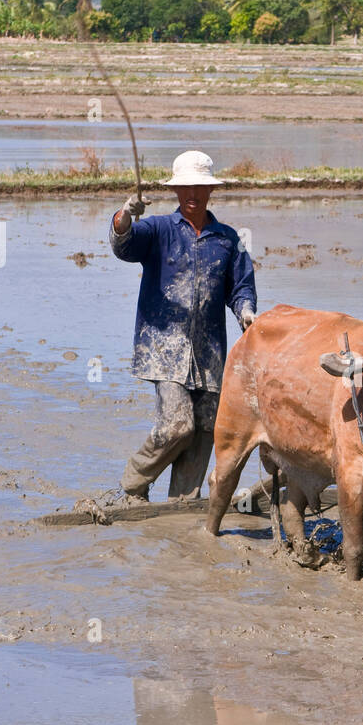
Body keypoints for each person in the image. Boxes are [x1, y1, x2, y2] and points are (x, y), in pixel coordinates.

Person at [108, 150, 256, 503]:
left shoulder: (227, 240)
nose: (193, 195)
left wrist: (246, 312)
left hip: (210, 357)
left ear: (210, 191)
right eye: (186, 188)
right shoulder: (158, 230)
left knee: (205, 430)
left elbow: (241, 287)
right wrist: (125, 215)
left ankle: (181, 506)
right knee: (178, 426)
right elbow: (123, 244)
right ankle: (134, 482)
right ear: (176, 191)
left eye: (199, 188)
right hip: (164, 349)